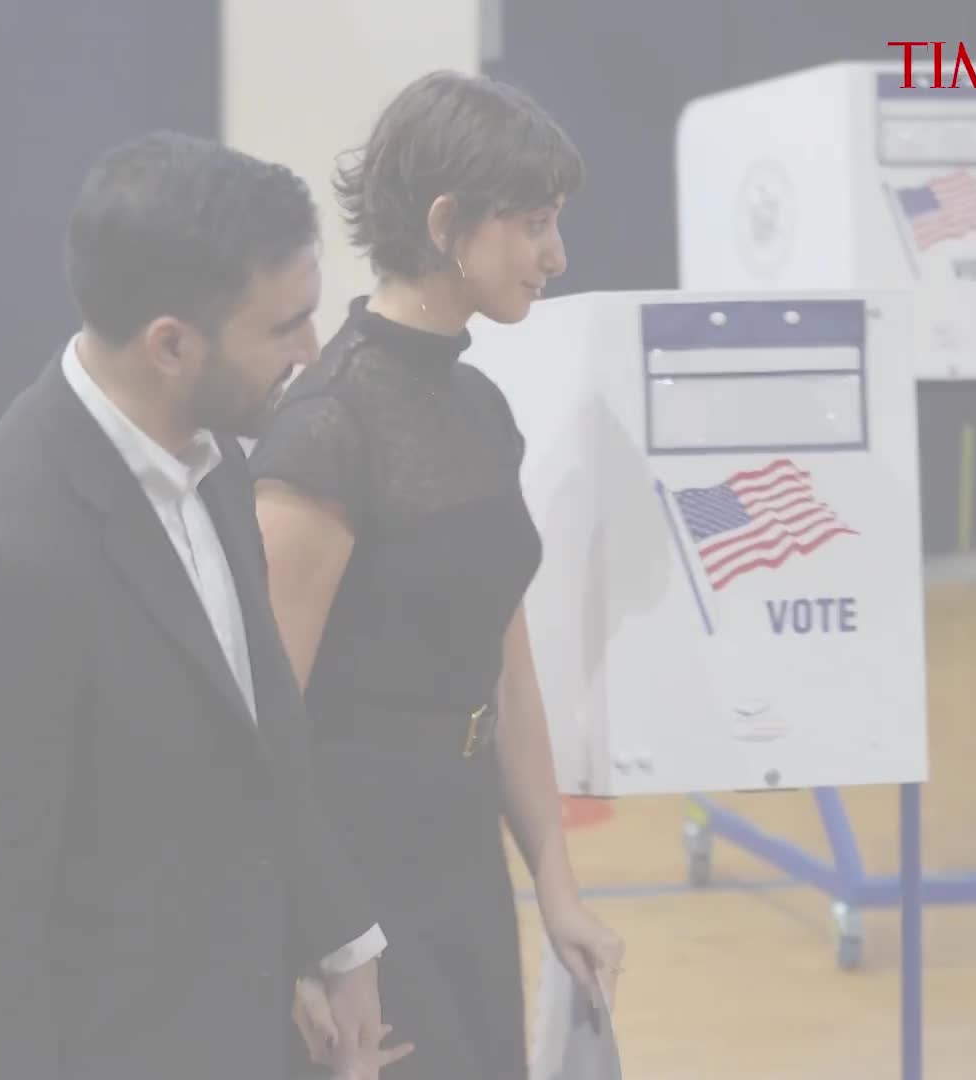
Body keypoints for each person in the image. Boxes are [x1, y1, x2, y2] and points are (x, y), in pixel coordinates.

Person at [0, 130, 412, 1080]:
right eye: (285, 325)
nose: (312, 348)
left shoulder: (212, 456)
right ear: (172, 344)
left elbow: (262, 734)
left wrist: (336, 942)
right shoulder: (1, 569)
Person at [247, 72, 626, 1079]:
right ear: (448, 222)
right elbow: (262, 722)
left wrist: (556, 885)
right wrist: (296, 947)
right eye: (534, 223)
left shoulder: (480, 408)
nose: (557, 255)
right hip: (353, 875)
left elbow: (507, 678)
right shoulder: (323, 430)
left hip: (464, 851)